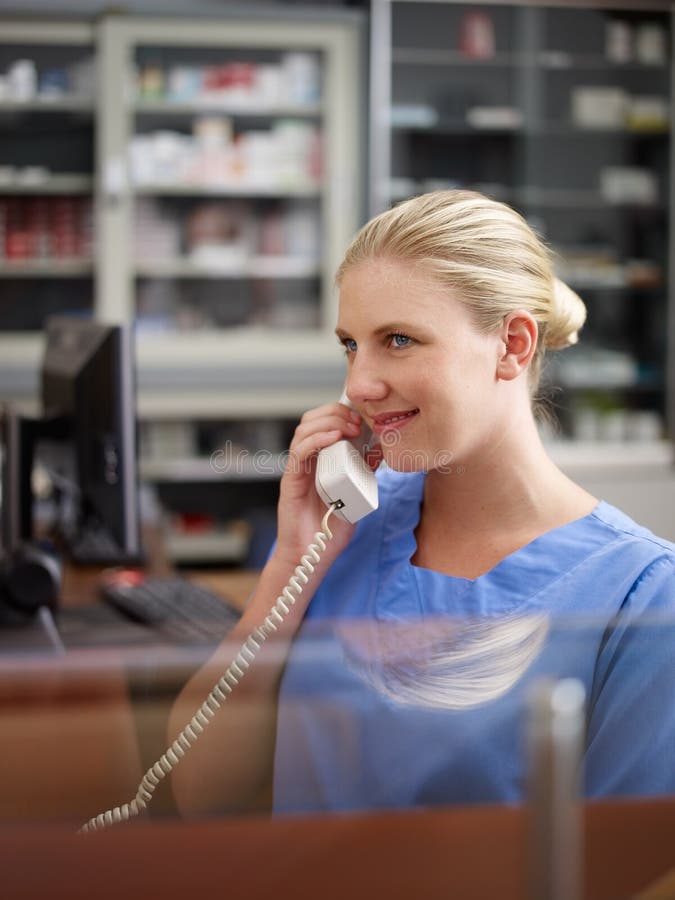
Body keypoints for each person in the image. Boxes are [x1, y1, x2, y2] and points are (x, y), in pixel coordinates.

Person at [169, 189, 675, 818]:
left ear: (513, 345)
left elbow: (627, 866)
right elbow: (199, 792)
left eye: (399, 340)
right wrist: (293, 562)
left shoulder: (642, 596)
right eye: (350, 344)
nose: (358, 385)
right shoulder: (341, 531)